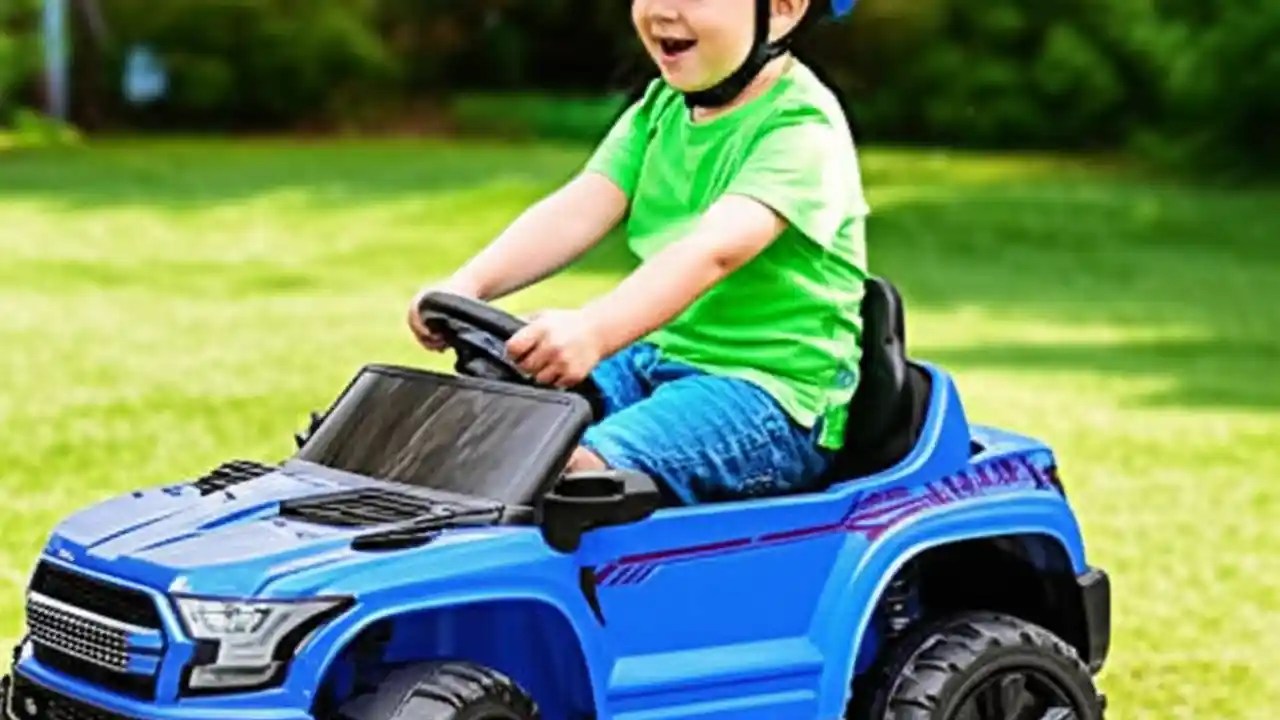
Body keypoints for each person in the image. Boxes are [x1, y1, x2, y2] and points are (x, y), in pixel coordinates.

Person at [409, 0, 870, 505]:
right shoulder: (661, 109)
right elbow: (581, 205)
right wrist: (467, 285)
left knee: (566, 475)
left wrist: (594, 330)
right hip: (655, 358)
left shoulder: (801, 129)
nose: (661, 10)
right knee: (492, 416)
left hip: (768, 399)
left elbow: (712, 251)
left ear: (781, 8)